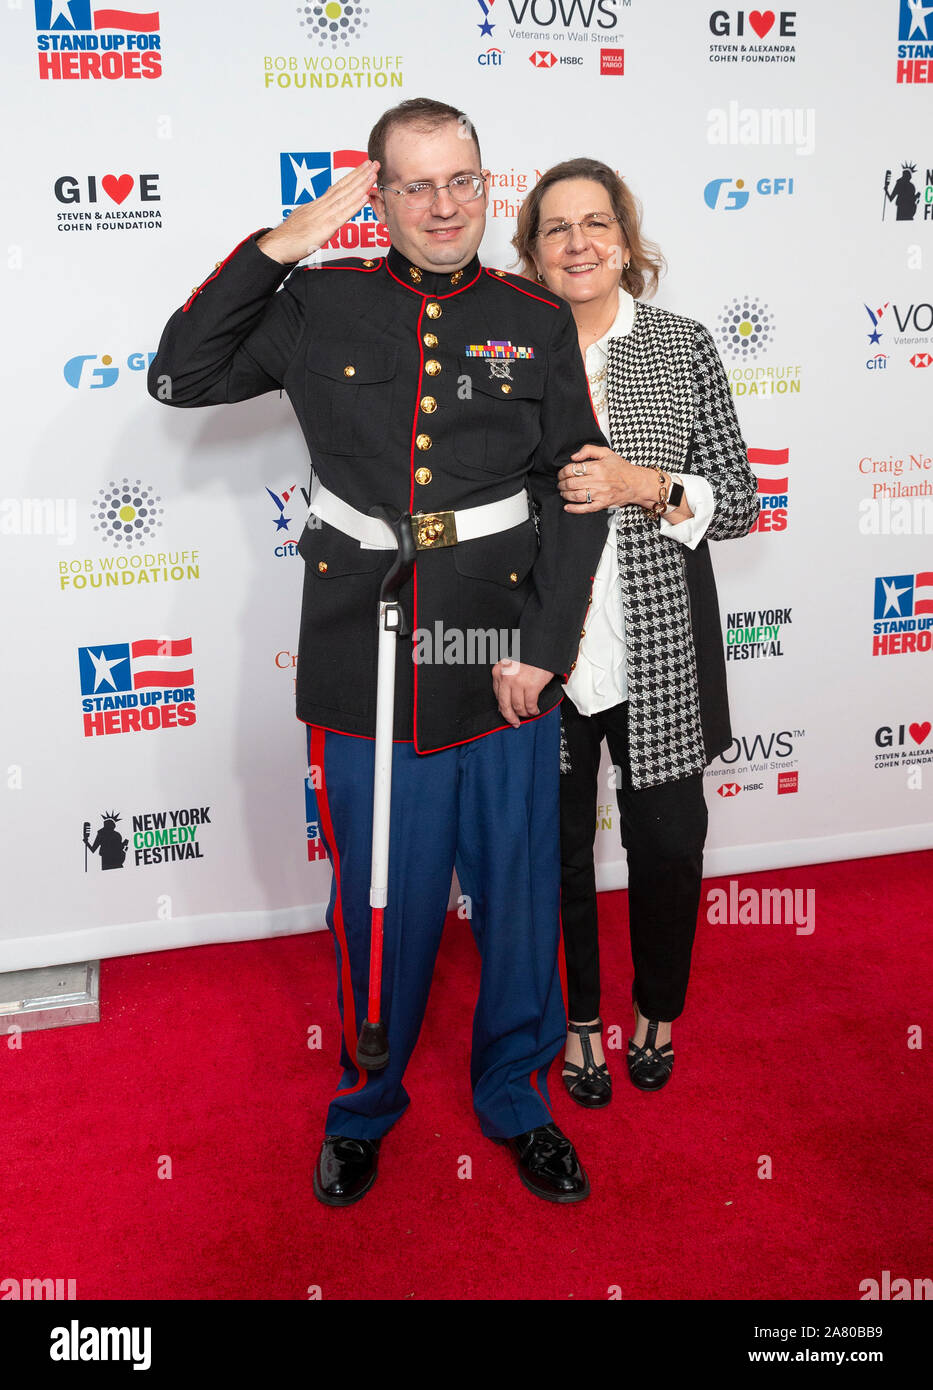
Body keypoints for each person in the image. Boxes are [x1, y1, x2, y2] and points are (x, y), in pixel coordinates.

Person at [148, 102, 608, 1204]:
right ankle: (365, 1101)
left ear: (487, 186)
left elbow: (576, 492)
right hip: (365, 647)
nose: (445, 207)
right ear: (380, 195)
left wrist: (545, 648)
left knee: (518, 895)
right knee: (377, 901)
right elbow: (179, 375)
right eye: (417, 185)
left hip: (498, 650)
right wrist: (281, 246)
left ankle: (515, 1097)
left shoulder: (532, 317)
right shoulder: (318, 300)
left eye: (463, 181)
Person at [512, 158, 759, 1106]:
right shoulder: (508, 354)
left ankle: (656, 1012)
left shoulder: (681, 345)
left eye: (596, 223)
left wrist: (643, 485)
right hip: (543, 654)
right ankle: (577, 1021)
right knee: (555, 856)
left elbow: (738, 501)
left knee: (666, 846)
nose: (577, 243)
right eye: (556, 228)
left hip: (659, 653)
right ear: (532, 251)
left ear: (624, 239)